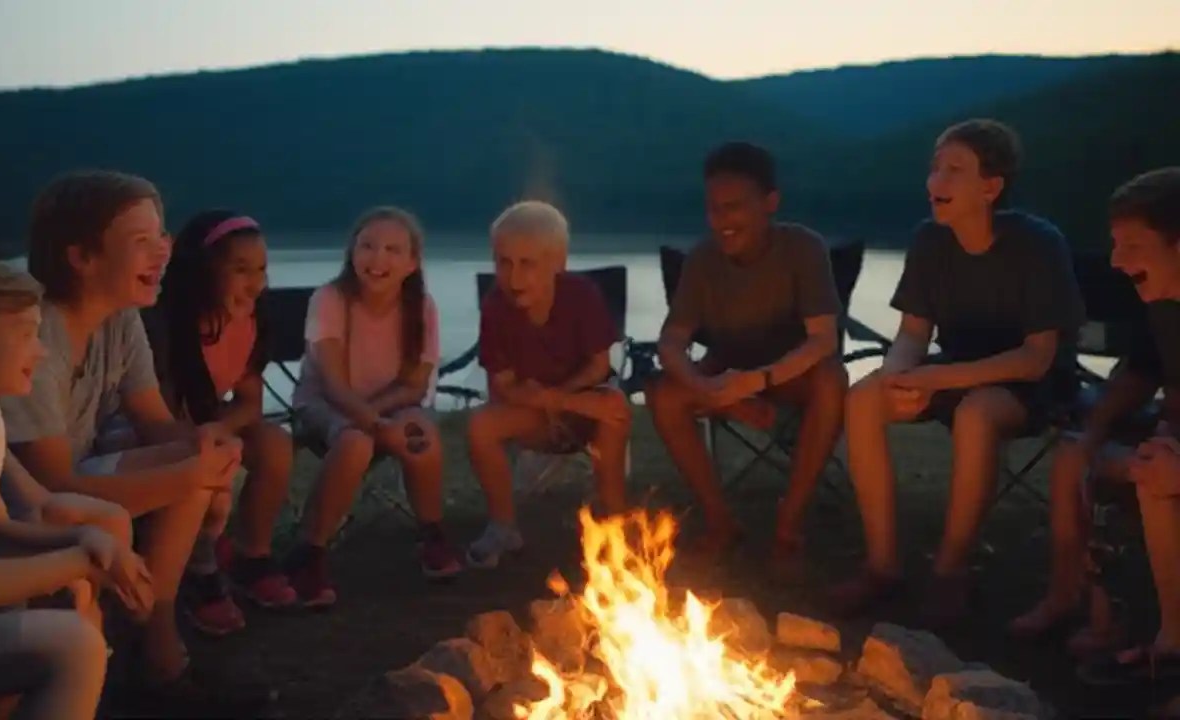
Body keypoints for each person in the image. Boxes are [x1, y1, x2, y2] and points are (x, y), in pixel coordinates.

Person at [0, 170, 270, 713]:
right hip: (8, 507)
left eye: (163, 237)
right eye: (142, 241)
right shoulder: (33, 333)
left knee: (195, 457)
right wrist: (192, 473)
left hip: (73, 487)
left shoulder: (121, 322)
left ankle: (155, 632)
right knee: (191, 471)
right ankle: (158, 650)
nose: (163, 252)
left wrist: (207, 444)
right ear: (82, 257)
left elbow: (159, 425)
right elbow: (50, 485)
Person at [833, 119, 1084, 626]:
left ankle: (950, 570)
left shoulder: (1037, 244)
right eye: (934, 169)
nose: (935, 182)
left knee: (975, 413)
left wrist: (936, 380)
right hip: (953, 369)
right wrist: (900, 376)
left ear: (991, 187)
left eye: (954, 171)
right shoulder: (930, 240)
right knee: (864, 398)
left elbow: (1036, 357)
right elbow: (911, 334)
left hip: (1028, 383)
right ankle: (883, 566)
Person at [0, 254, 150, 720]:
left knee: (58, 591)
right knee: (73, 645)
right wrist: (81, 563)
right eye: (23, 335)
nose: (41, 350)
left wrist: (82, 539)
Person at [645, 141, 848, 575]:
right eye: (714, 208)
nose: (722, 220)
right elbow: (670, 343)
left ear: (770, 203)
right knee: (664, 395)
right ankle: (721, 523)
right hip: (727, 371)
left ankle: (788, 528)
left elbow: (823, 341)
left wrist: (755, 383)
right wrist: (713, 392)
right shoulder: (702, 259)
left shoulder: (802, 248)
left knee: (832, 379)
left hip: (789, 370)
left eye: (734, 207)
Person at [1012, 168, 1180, 683]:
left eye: (1133, 245)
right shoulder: (1164, 305)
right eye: (1114, 244)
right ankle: (1085, 608)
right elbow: (1143, 371)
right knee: (1078, 456)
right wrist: (1096, 429)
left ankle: (1172, 646)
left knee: (1155, 473)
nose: (1116, 261)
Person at [287, 206, 461, 607]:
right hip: (323, 407)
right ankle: (309, 552)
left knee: (421, 436)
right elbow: (331, 384)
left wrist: (378, 416)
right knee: (355, 443)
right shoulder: (330, 299)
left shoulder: (421, 307)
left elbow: (415, 385)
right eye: (367, 246)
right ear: (352, 252)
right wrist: (371, 422)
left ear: (412, 263)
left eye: (392, 250)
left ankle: (431, 534)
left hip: (387, 406)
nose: (378, 258)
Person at [144, 210, 298, 636]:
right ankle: (201, 570)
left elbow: (250, 401)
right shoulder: (170, 323)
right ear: (205, 270)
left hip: (210, 421)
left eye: (262, 269)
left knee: (274, 445)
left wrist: (220, 426)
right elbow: (156, 412)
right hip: (165, 428)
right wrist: (206, 434)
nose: (256, 282)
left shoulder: (250, 320)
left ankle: (254, 555)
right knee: (211, 461)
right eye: (241, 269)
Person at [464, 201, 630, 569]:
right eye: (503, 262)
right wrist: (551, 404)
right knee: (480, 424)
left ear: (558, 262)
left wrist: (560, 399)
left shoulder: (581, 295)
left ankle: (613, 519)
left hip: (579, 407)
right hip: (532, 413)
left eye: (527, 264)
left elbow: (599, 366)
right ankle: (503, 525)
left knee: (615, 408)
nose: (513, 276)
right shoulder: (496, 306)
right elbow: (503, 386)